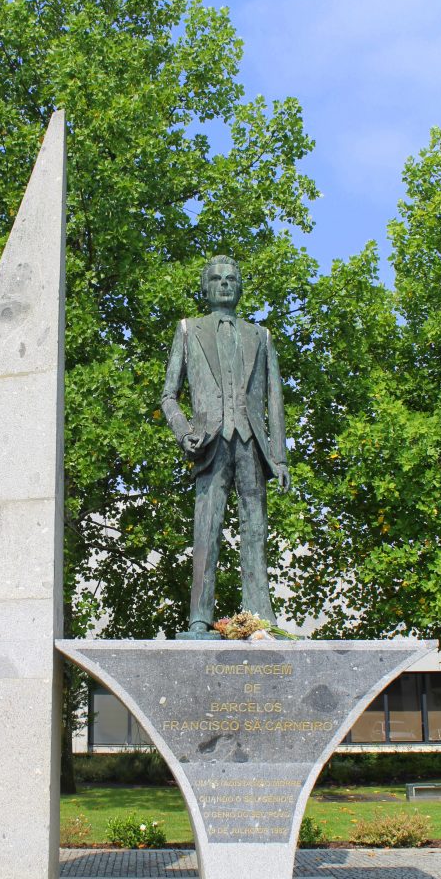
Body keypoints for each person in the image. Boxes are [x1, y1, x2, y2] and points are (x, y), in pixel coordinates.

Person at [161, 255, 291, 637]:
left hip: (252, 444)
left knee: (256, 532)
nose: (224, 284)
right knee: (206, 530)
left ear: (239, 286)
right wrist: (184, 432)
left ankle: (259, 619)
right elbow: (169, 395)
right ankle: (199, 618)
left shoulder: (260, 336)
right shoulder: (188, 330)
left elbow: (274, 397)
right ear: (205, 288)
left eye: (231, 279)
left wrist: (279, 457)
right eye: (216, 279)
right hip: (209, 443)